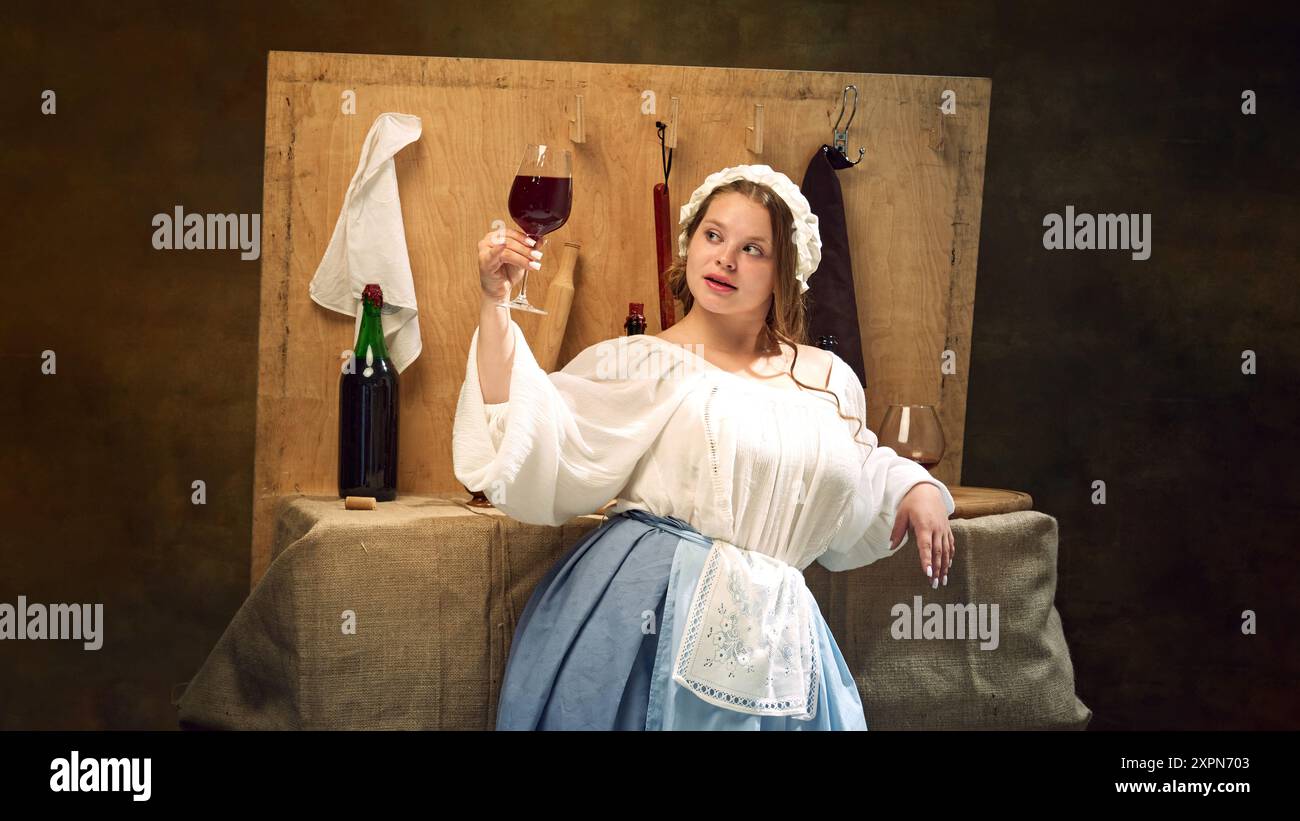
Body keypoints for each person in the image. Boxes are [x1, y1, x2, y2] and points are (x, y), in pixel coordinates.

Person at [453, 164, 956, 730]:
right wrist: (496, 303)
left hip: (777, 637)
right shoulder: (642, 362)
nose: (725, 259)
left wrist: (915, 487)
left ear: (784, 273)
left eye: (753, 249)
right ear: (691, 244)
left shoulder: (828, 380)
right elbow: (529, 422)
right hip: (644, 614)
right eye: (713, 236)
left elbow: (855, 462)